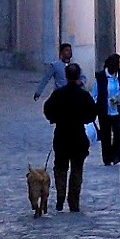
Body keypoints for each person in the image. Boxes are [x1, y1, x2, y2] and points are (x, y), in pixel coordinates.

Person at [42, 63, 99, 211]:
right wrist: (83, 119)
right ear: (78, 76)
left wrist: (54, 118)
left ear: (66, 76)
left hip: (61, 134)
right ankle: (74, 201)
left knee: (60, 167)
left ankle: (60, 197)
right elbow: (92, 113)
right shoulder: (83, 95)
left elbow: (47, 109)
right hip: (78, 135)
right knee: (77, 169)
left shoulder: (58, 94)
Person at [94, 53, 120, 165]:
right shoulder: (101, 77)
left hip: (117, 110)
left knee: (118, 135)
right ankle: (107, 158)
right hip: (104, 110)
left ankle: (116, 155)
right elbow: (95, 94)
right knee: (105, 136)